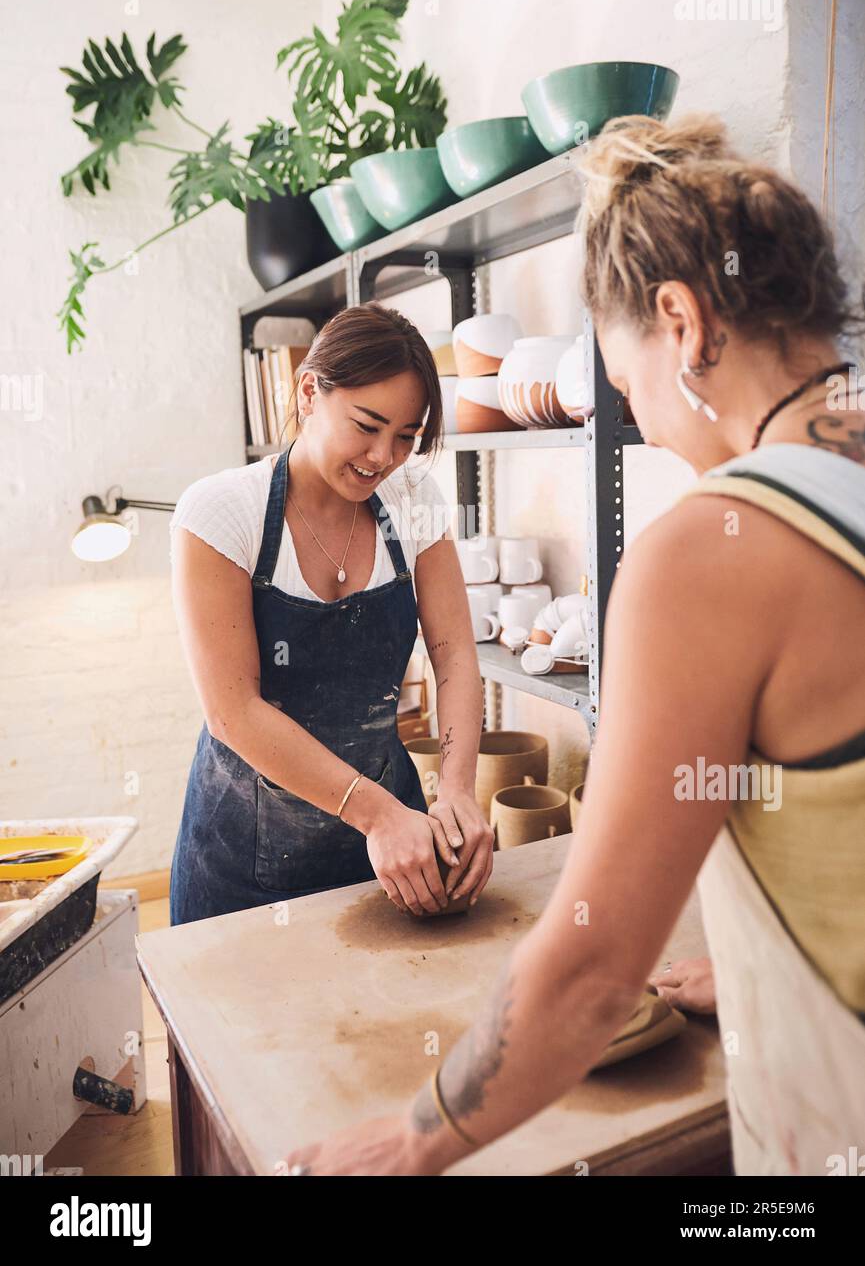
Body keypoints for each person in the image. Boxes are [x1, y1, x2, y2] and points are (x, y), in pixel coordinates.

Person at [286, 113, 865, 1176]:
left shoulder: (711, 551)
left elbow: (594, 968)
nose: (639, 419)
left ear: (681, 323)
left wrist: (414, 1142)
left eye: (625, 378)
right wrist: (754, 963)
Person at [169, 302, 493, 926]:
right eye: (367, 425)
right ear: (310, 391)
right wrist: (376, 814)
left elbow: (453, 655)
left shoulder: (411, 497)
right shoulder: (219, 513)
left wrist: (455, 789)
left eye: (406, 436)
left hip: (392, 843)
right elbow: (233, 711)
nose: (383, 456)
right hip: (244, 859)